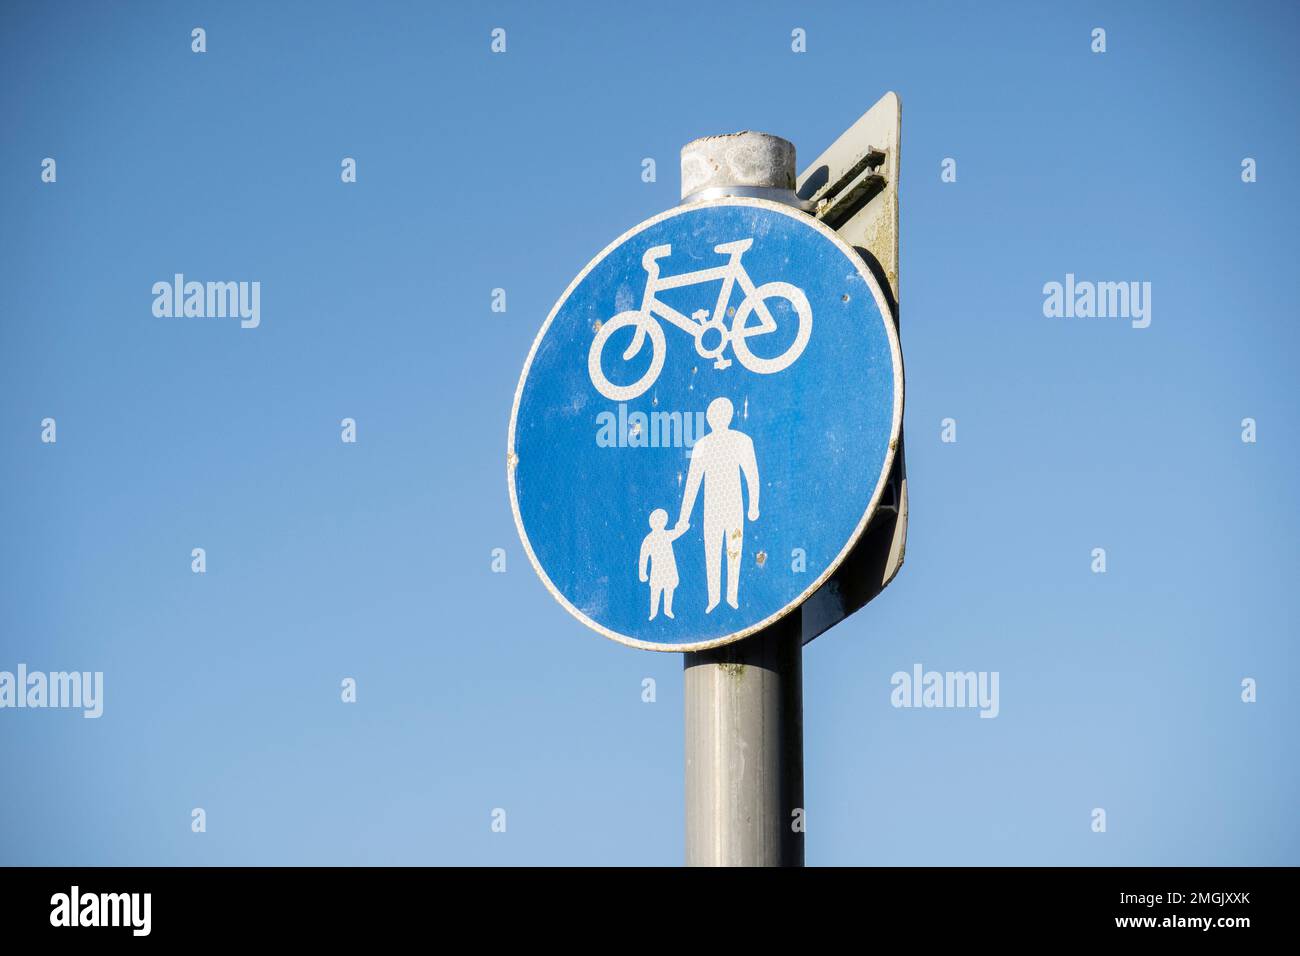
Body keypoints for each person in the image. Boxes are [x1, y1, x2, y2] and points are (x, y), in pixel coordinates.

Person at [675, 396, 759, 612]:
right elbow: (692, 483)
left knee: (734, 550)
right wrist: (683, 517)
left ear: (730, 416)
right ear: (709, 418)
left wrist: (754, 505)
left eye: (722, 414)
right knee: (711, 551)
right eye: (714, 415)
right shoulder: (702, 445)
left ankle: (732, 596)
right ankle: (713, 599)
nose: (718, 418)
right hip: (711, 508)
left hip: (734, 505)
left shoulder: (741, 440)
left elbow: (751, 475)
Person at [639, 508, 686, 620]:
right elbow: (643, 557)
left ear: (664, 522)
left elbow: (677, 532)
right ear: (652, 523)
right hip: (657, 571)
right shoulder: (649, 539)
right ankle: (653, 613)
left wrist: (683, 526)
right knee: (655, 591)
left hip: (669, 569)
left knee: (669, 589)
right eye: (657, 521)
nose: (659, 524)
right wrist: (642, 573)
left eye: (662, 521)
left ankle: (667, 610)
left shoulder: (667, 534)